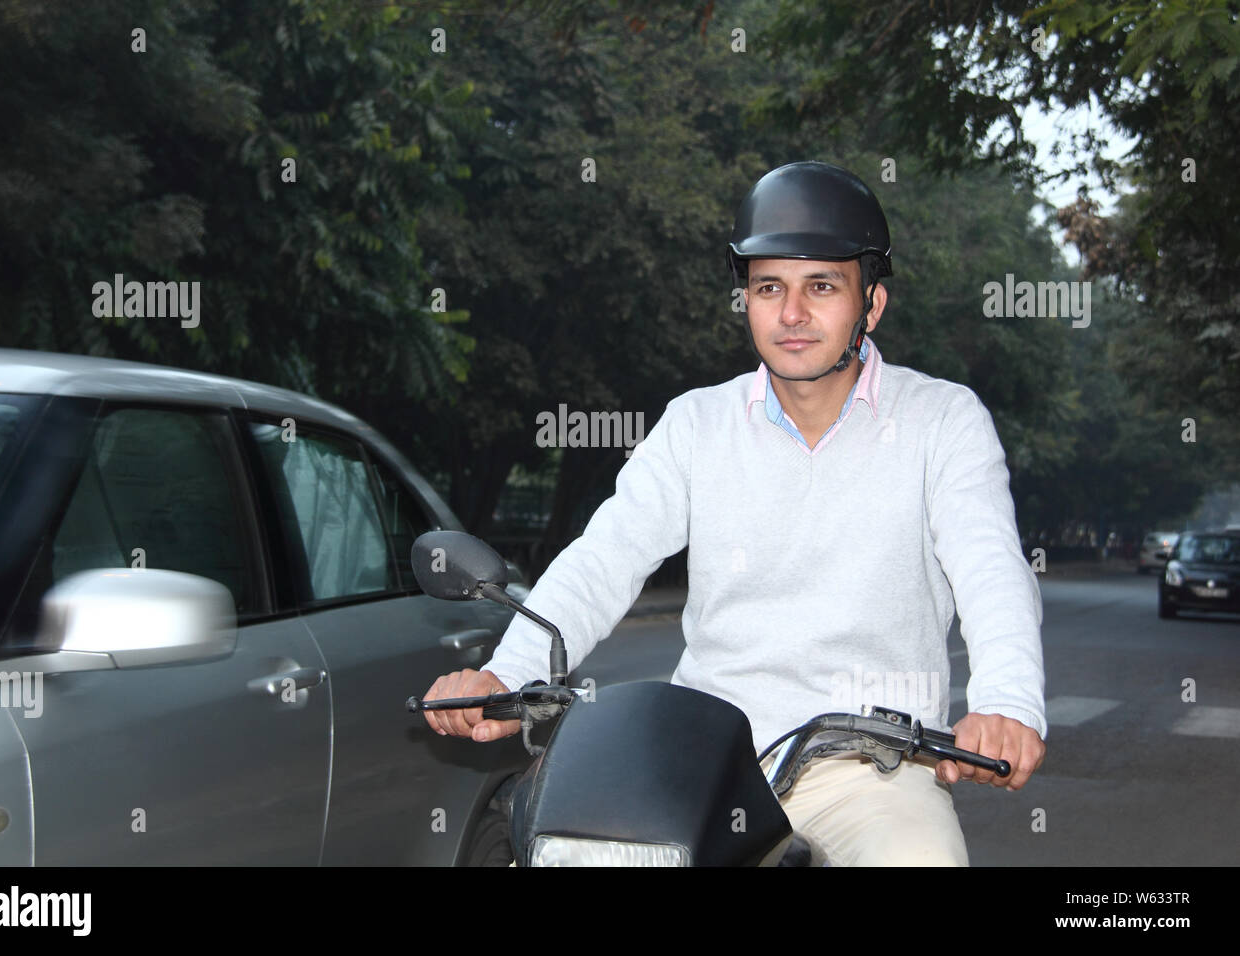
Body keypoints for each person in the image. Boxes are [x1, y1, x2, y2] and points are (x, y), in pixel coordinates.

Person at [422, 160, 1047, 866]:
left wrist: (1007, 704)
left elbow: (992, 568)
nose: (791, 314)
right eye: (768, 287)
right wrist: (507, 675)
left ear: (870, 303)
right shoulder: (697, 424)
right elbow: (606, 556)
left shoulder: (943, 421)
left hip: (874, 773)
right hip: (701, 766)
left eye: (822, 286)